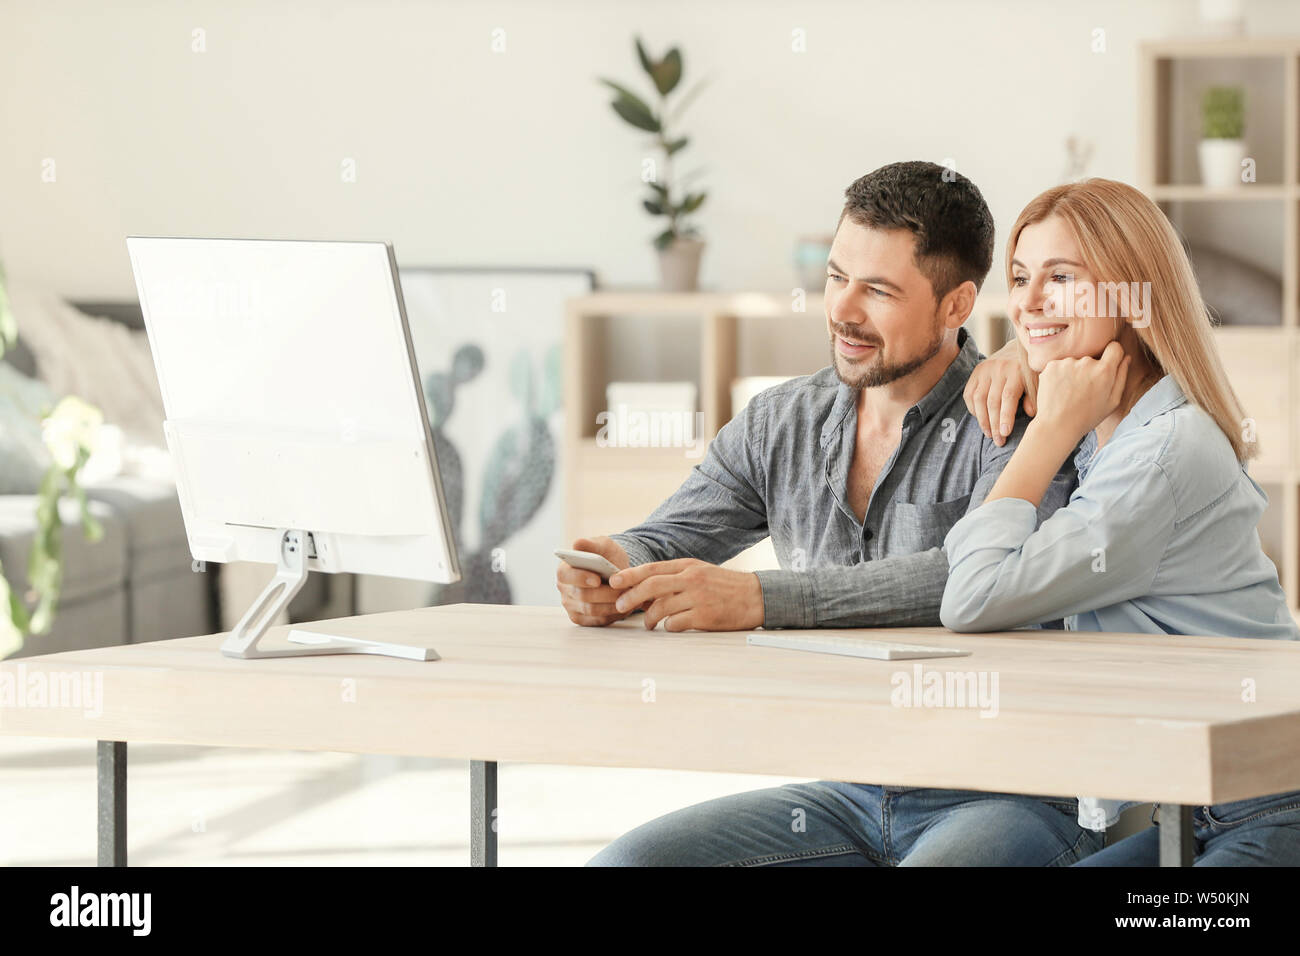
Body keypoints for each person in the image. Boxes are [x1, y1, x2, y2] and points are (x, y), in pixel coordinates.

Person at [562, 161, 1099, 866]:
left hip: (1005, 794)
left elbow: (974, 579)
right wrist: (616, 565)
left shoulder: (1016, 416)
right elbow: (669, 535)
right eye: (837, 278)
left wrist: (759, 599)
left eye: (876, 290)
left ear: (956, 305)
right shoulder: (778, 423)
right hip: (842, 793)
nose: (843, 310)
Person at [940, 177, 1300, 866]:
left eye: (1061, 276)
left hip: (1273, 806)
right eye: (1020, 278)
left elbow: (973, 597)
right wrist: (1027, 350)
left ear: (1132, 294)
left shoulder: (1163, 454)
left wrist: (1048, 430)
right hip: (1195, 811)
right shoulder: (1115, 431)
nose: (1028, 300)